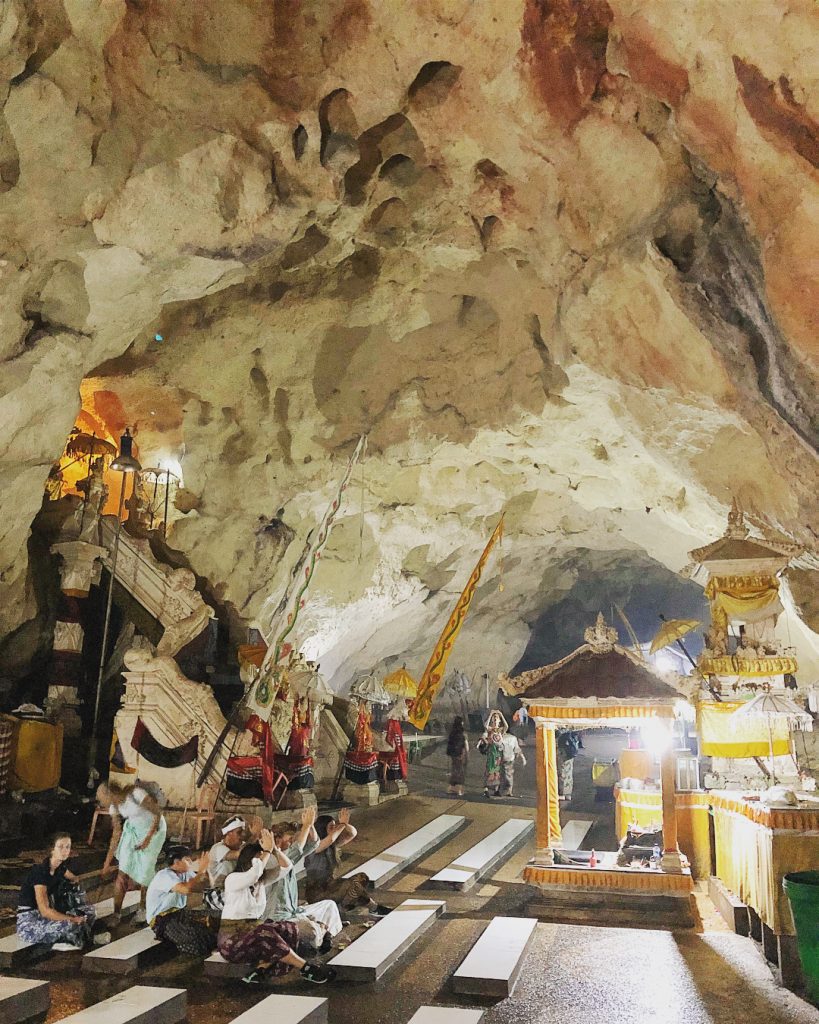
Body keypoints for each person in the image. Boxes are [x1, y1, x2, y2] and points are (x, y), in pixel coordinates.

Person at [218, 828, 335, 985]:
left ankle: (261, 970)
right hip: (232, 943)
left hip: (255, 938)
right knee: (264, 930)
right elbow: (254, 874)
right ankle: (306, 968)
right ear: (248, 861)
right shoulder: (233, 879)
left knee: (288, 928)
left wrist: (274, 849)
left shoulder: (261, 883)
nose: (264, 862)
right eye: (259, 859)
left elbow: (287, 867)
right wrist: (266, 851)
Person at [266, 805, 342, 952]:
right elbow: (298, 849)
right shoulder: (273, 859)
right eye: (289, 839)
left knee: (329, 906)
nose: (291, 843)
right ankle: (321, 932)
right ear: (277, 840)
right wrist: (306, 826)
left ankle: (325, 934)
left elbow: (314, 843)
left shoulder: (288, 856)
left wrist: (310, 825)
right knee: (311, 931)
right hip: (279, 919)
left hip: (295, 912)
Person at [17, 833, 106, 951]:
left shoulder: (60, 868)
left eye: (68, 847)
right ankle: (77, 940)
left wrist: (72, 892)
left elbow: (74, 878)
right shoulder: (40, 873)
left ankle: (75, 938)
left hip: (48, 916)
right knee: (70, 924)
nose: (65, 851)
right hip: (30, 920)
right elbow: (45, 911)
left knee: (89, 912)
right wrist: (71, 918)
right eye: (60, 847)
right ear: (52, 849)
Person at [98, 781, 167, 923]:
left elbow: (157, 813)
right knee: (122, 872)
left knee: (145, 873)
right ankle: (116, 914)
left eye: (101, 797)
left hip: (154, 832)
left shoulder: (136, 794)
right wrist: (106, 864)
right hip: (133, 832)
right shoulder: (114, 807)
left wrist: (148, 838)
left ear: (110, 794)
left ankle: (143, 909)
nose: (100, 801)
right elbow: (116, 834)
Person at [304, 809, 390, 917]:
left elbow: (352, 833)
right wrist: (341, 825)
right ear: (322, 829)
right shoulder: (313, 847)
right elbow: (330, 839)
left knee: (361, 879)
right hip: (317, 894)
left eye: (335, 826)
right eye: (331, 827)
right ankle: (342, 911)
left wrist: (345, 824)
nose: (334, 829)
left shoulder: (332, 845)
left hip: (331, 886)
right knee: (353, 886)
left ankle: (372, 908)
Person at [145, 845, 215, 955]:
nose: (191, 862)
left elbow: (206, 886)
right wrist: (201, 871)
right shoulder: (164, 875)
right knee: (195, 936)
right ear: (177, 862)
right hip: (161, 920)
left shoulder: (185, 873)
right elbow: (186, 889)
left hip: (179, 913)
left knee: (213, 919)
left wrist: (207, 869)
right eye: (187, 859)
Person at [204, 816, 246, 910]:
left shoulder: (242, 846)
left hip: (231, 892)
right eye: (239, 832)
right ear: (229, 833)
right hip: (216, 893)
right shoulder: (218, 848)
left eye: (243, 832)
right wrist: (254, 836)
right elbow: (240, 855)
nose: (242, 836)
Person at [477, 710, 507, 798]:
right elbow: (486, 726)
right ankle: (485, 789)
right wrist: (490, 714)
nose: (495, 720)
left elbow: (506, 726)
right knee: (489, 770)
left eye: (496, 718)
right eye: (494, 719)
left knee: (497, 771)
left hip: (498, 753)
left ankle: (496, 789)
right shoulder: (490, 729)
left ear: (499, 720)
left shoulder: (500, 730)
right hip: (491, 752)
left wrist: (501, 714)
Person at [499, 728, 527, 797]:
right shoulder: (513, 738)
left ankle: (505, 790)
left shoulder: (501, 737)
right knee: (508, 775)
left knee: (503, 775)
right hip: (509, 758)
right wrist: (523, 758)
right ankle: (508, 790)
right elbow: (517, 749)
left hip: (502, 758)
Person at [446, 716, 469, 797]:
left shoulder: (452, 733)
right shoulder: (463, 734)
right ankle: (459, 790)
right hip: (461, 754)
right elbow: (466, 746)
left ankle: (451, 788)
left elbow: (449, 744)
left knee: (454, 771)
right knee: (460, 772)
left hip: (453, 754)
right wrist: (466, 755)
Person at [557, 730, 582, 802]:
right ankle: (568, 794)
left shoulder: (564, 733)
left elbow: (560, 740)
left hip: (564, 753)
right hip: (571, 754)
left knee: (562, 773)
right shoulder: (572, 732)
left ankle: (562, 794)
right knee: (568, 773)